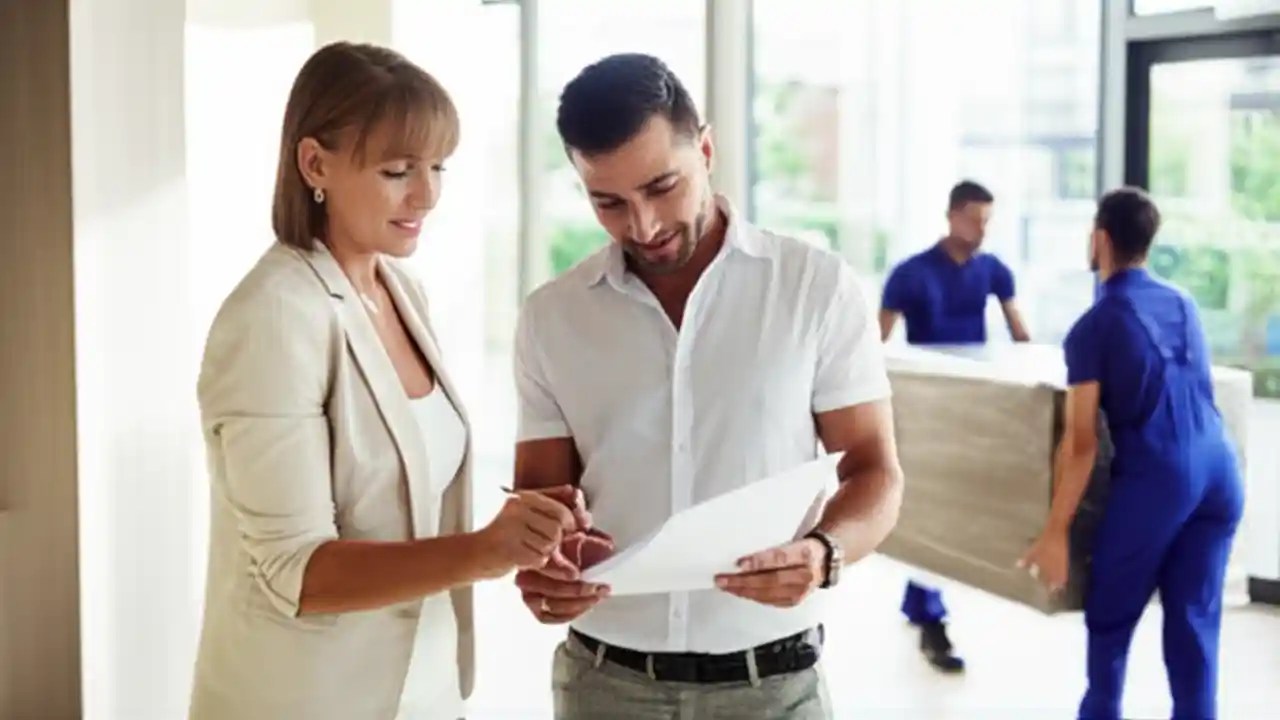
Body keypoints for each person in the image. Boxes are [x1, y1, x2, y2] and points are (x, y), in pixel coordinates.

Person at [189, 42, 589, 720]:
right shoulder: (277, 315)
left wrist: (529, 531)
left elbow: (413, 491)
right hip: (308, 700)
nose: (427, 194)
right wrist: (484, 550)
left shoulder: (399, 289)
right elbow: (297, 570)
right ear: (315, 163)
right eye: (399, 170)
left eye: (437, 167)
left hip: (420, 689)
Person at [510, 53, 904, 720]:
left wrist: (824, 554)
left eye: (663, 186)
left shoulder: (813, 287)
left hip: (775, 688)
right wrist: (545, 569)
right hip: (605, 687)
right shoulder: (553, 317)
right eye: (608, 201)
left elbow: (875, 470)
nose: (644, 225)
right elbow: (540, 503)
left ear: (708, 149)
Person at [1021, 187, 1243, 720]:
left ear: (1099, 239)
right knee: (1193, 623)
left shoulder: (1093, 328)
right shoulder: (1183, 302)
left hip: (1161, 478)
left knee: (1111, 620)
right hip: (1220, 471)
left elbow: (1079, 443)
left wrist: (1054, 533)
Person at [878, 180, 1030, 672]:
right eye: (974, 219)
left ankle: (918, 603)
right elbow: (873, 345)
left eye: (988, 220)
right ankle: (930, 617)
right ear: (951, 216)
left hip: (978, 407)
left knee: (955, 512)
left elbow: (1020, 334)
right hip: (928, 408)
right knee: (935, 513)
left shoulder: (993, 270)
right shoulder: (911, 274)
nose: (982, 230)